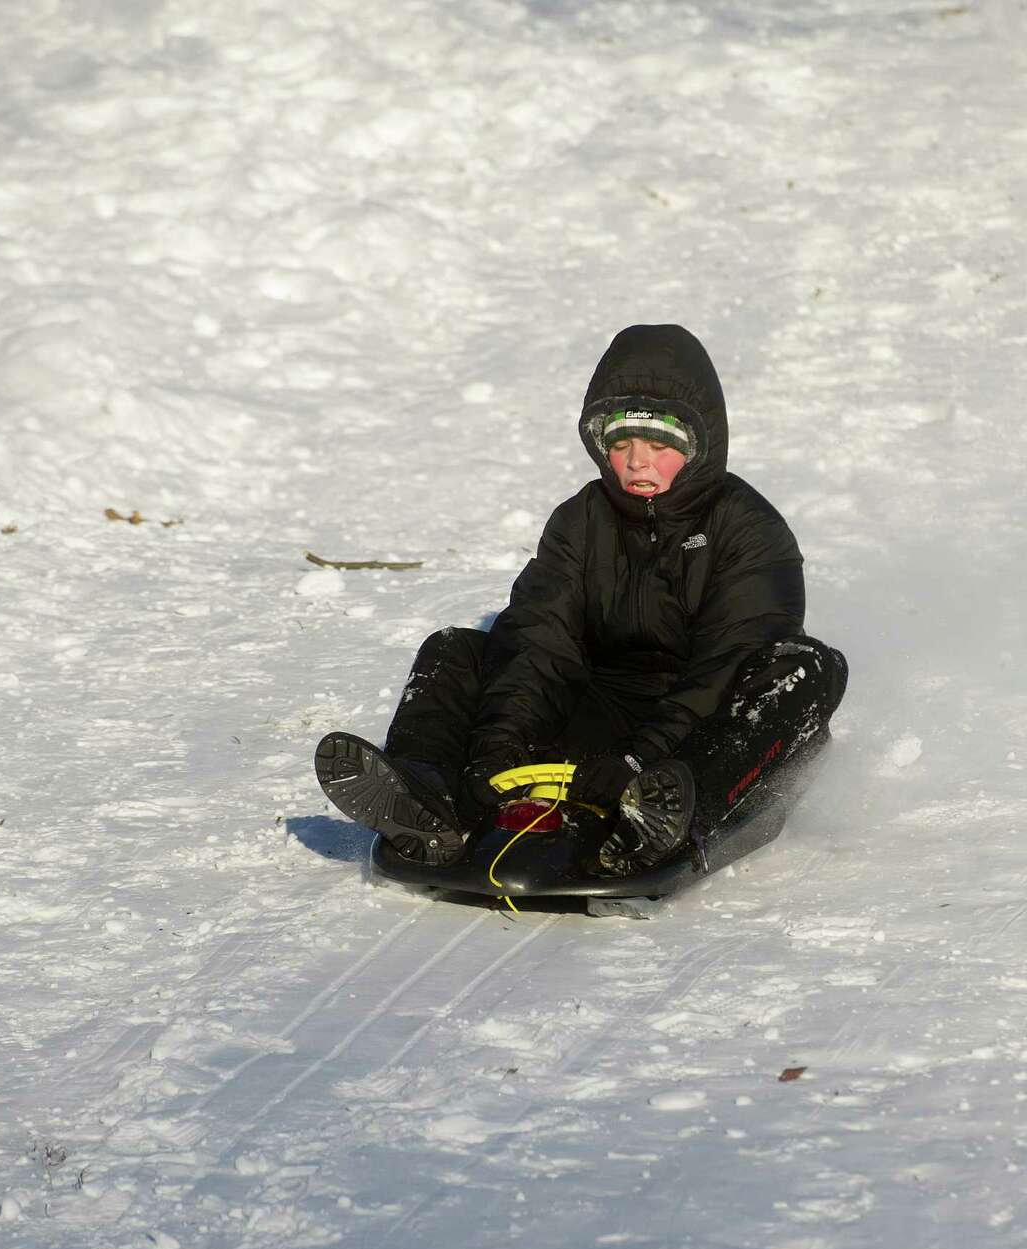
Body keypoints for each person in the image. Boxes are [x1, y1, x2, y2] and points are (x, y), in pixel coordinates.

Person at [315, 323, 847, 873]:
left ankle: (672, 818)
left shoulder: (750, 529)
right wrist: (498, 748)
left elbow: (729, 661)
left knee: (804, 667)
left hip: (699, 739)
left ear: (696, 448)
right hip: (598, 717)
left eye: (659, 445)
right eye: (621, 445)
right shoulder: (581, 521)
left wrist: (639, 758)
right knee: (456, 649)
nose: (637, 462)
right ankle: (429, 799)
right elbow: (539, 641)